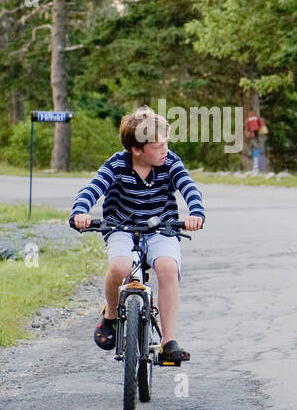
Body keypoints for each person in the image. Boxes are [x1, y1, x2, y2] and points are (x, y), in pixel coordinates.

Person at [70, 107, 206, 362]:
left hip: (161, 228)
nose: (164, 150)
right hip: (121, 226)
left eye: (166, 143)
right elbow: (92, 189)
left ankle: (168, 341)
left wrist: (196, 212)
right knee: (120, 267)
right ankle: (111, 314)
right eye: (157, 146)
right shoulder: (118, 164)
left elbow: (189, 188)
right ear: (136, 149)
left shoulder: (170, 163)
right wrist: (80, 212)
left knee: (167, 267)